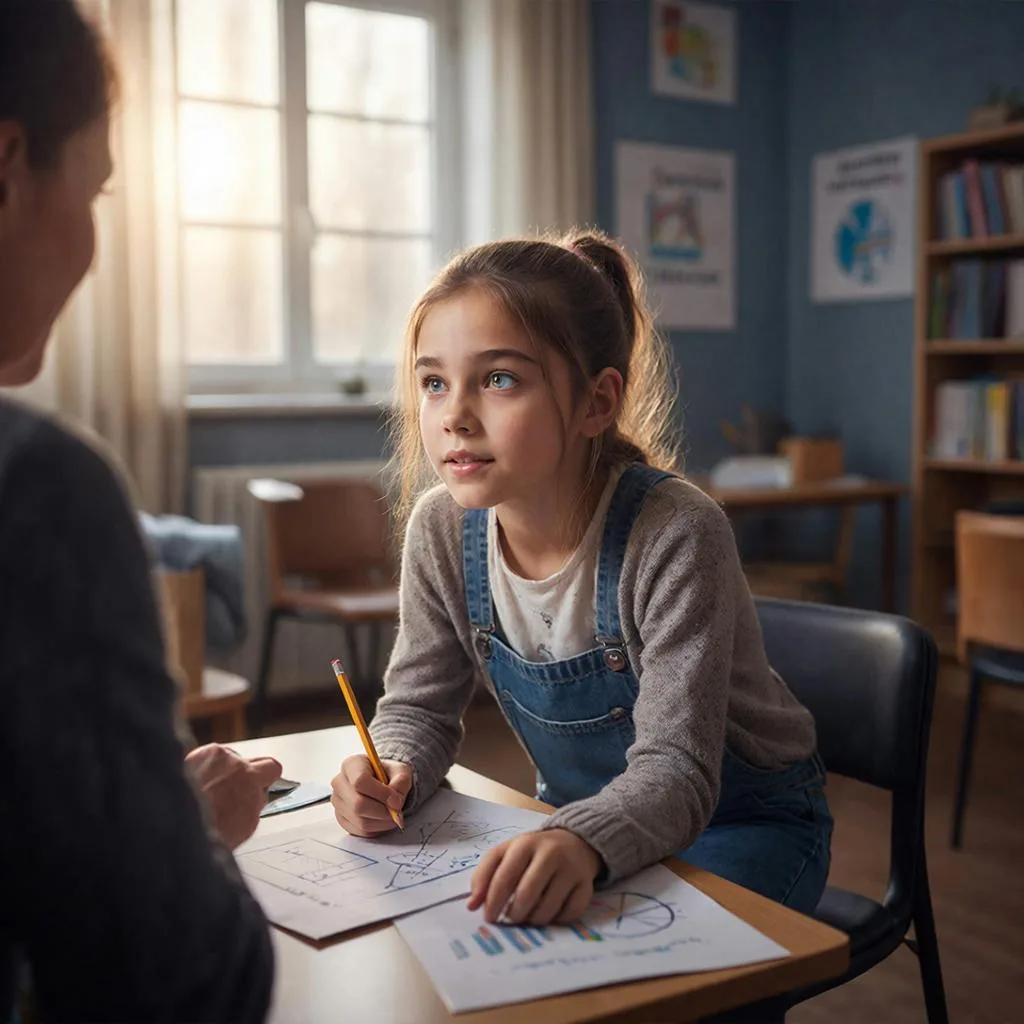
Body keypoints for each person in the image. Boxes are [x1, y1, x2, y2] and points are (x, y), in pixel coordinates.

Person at [331, 230, 833, 929]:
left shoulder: (677, 531)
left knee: (673, 994)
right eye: (433, 382)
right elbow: (417, 707)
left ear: (597, 403)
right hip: (578, 821)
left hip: (741, 822)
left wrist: (580, 839)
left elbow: (678, 771)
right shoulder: (441, 529)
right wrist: (390, 766)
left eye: (499, 379)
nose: (454, 416)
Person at [1, 2, 278, 1020]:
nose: (90, 245)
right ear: (9, 166)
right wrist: (188, 835)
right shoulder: (37, 491)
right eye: (97, 188)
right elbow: (183, 983)